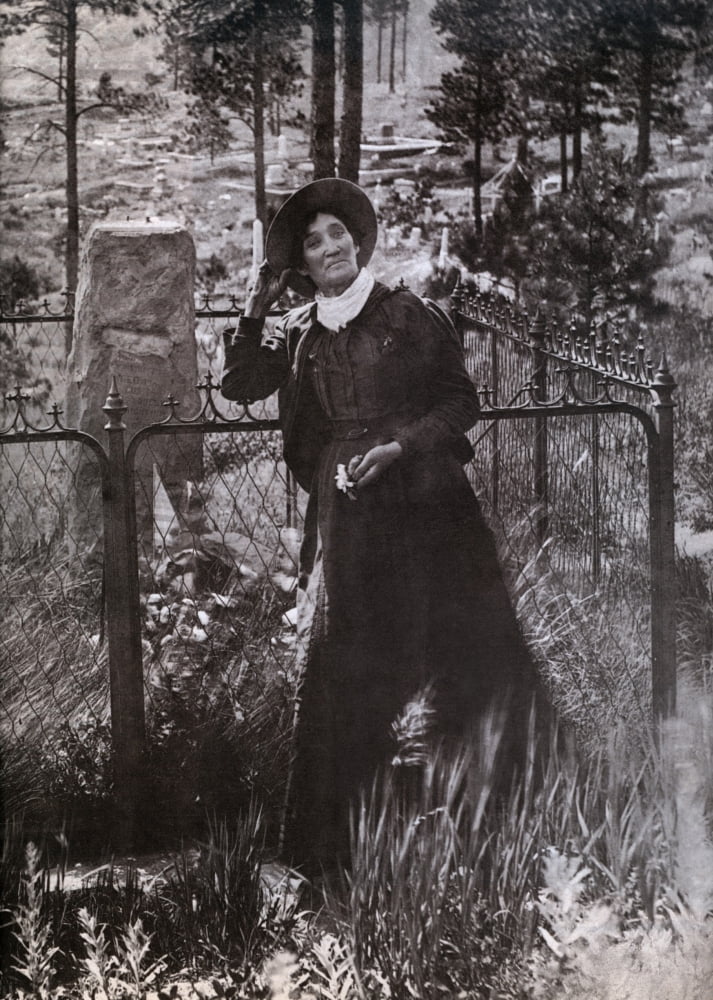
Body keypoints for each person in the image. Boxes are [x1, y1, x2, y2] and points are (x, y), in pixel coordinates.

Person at [221, 178, 543, 877]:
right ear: (299, 265)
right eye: (313, 241)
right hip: (348, 515)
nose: (329, 246)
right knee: (346, 665)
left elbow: (460, 401)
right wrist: (253, 309)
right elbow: (240, 384)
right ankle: (348, 848)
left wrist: (398, 445)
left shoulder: (407, 313)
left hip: (430, 508)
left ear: (357, 241)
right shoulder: (303, 333)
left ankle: (488, 825)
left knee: (459, 652)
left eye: (338, 233)